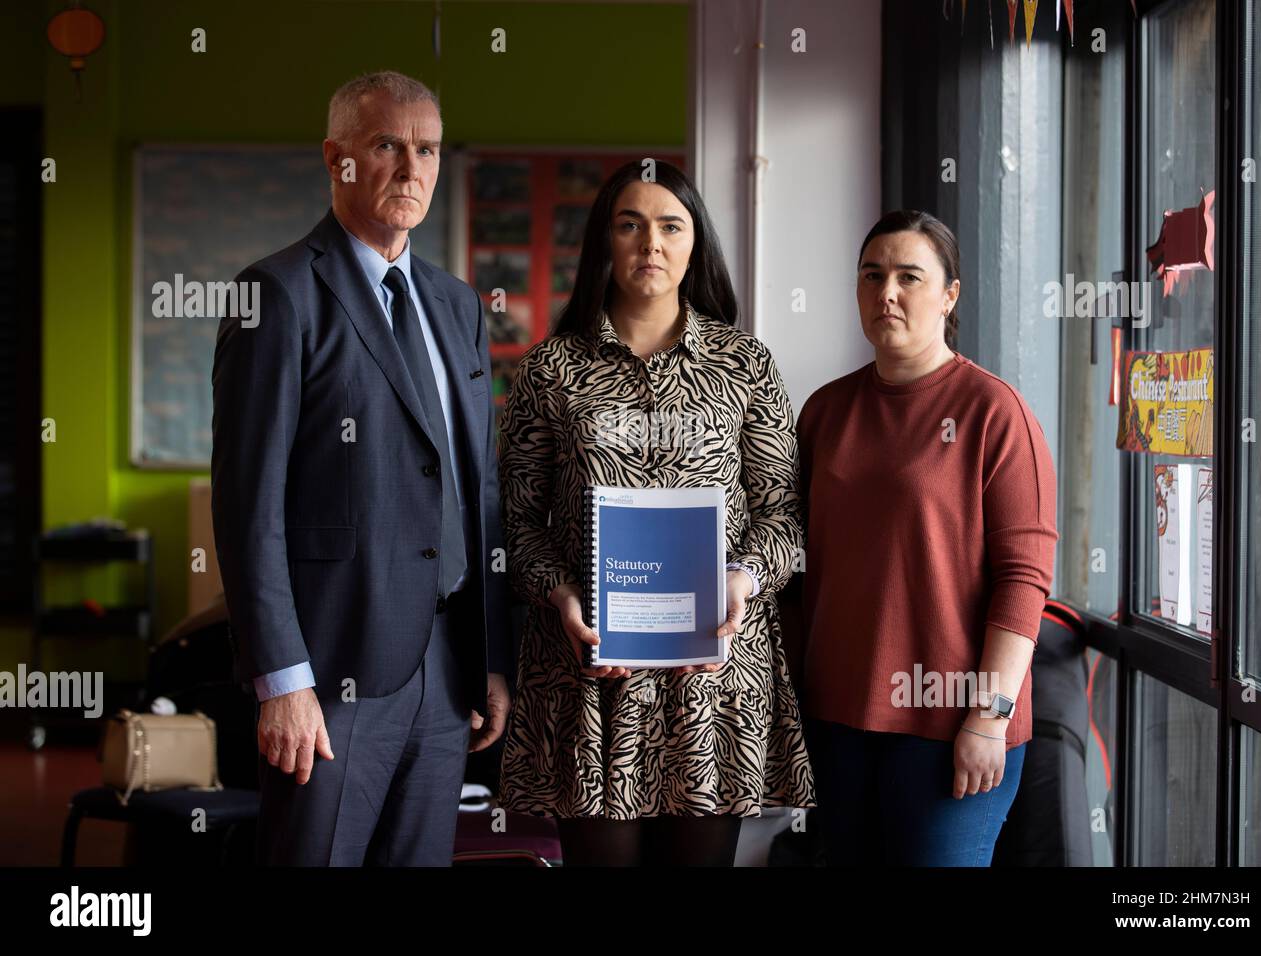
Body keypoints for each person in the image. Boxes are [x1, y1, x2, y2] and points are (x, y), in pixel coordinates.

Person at [211, 71, 511, 866]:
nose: (412, 169)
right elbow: (250, 509)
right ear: (335, 157)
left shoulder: (457, 308)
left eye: (428, 150)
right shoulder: (276, 295)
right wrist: (282, 680)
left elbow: (478, 491)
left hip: (448, 671)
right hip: (330, 674)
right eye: (386, 146)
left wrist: (492, 657)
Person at [496, 160, 815, 866]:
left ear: (695, 243)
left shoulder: (744, 366)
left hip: (711, 678)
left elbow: (784, 521)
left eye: (671, 226)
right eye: (630, 225)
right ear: (605, 242)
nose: (651, 244)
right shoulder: (552, 370)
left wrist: (743, 581)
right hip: (587, 677)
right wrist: (559, 591)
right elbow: (516, 527)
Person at [796, 209, 1058, 866]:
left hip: (951, 726)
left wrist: (989, 717)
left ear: (949, 294)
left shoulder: (993, 412)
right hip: (838, 721)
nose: (886, 292)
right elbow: (794, 560)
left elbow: (1024, 581)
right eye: (872, 275)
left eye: (909, 276)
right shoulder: (825, 411)